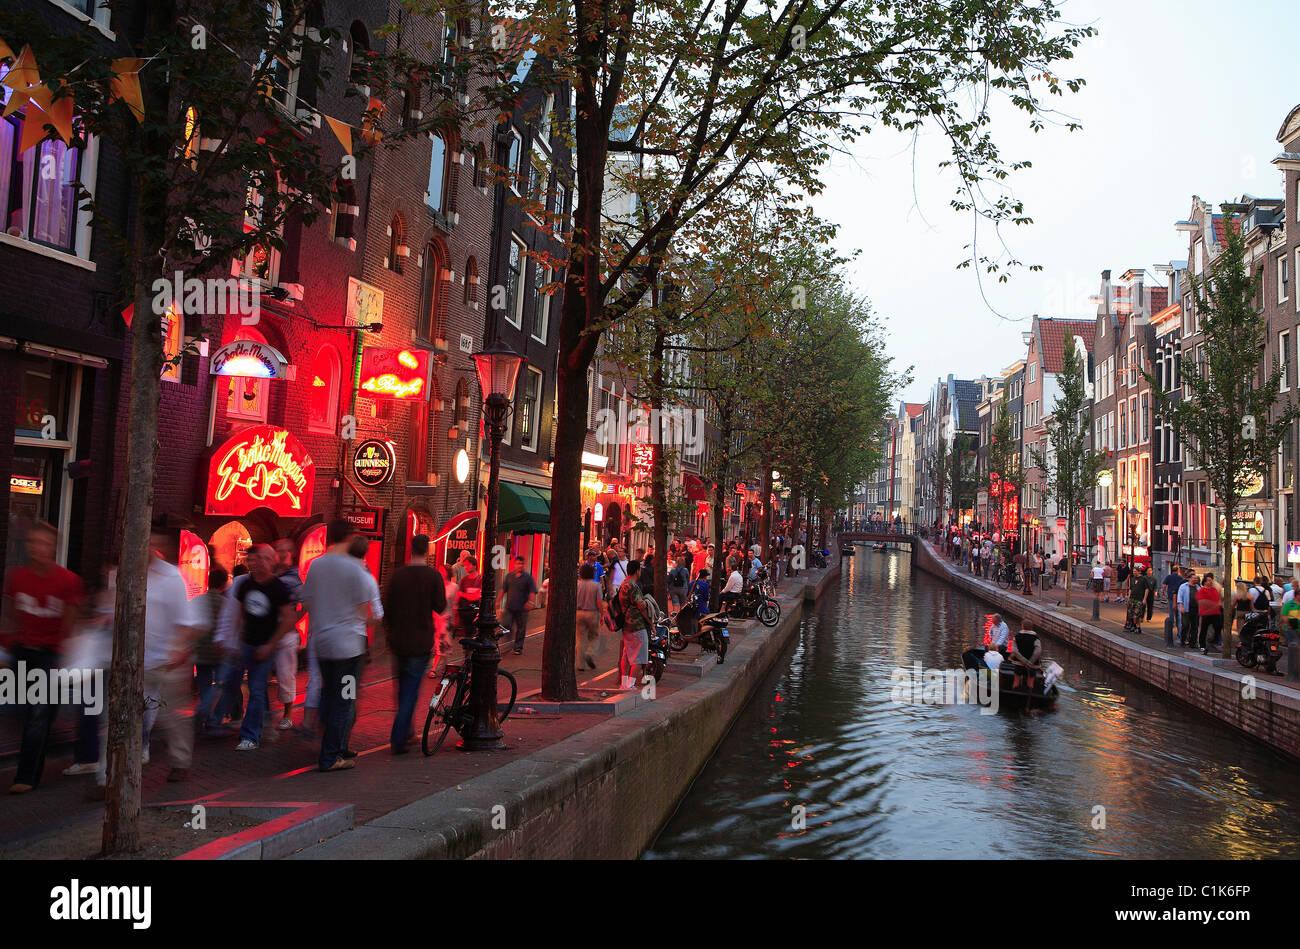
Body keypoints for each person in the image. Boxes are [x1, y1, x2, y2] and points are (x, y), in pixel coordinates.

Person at [1, 522, 83, 794]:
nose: (38, 548)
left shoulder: (68, 581)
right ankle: (49, 737)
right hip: (20, 651)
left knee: (37, 716)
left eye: (44, 543)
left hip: (49, 656)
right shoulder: (17, 577)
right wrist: (5, 648)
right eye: (33, 542)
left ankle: (26, 777)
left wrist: (63, 657)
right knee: (19, 712)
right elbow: (10, 614)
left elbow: (69, 623)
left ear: (53, 548)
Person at [302, 520, 379, 772]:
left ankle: (325, 738)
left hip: (322, 644)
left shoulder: (316, 565)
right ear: (349, 537)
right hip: (349, 648)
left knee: (328, 693)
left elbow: (307, 601)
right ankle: (331, 756)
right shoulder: (358, 571)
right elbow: (377, 613)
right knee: (344, 699)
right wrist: (359, 619)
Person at [140, 525, 202, 781]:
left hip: (168, 660)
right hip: (137, 660)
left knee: (172, 716)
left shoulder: (172, 577)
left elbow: (188, 621)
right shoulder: (124, 573)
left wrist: (178, 648)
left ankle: (180, 761)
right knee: (126, 714)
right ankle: (116, 767)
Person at [222, 544, 296, 751]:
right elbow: (239, 612)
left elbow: (289, 618)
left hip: (264, 647)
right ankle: (262, 722)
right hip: (245, 643)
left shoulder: (278, 588)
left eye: (260, 559)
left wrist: (270, 644)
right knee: (231, 682)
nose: (255, 563)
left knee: (255, 690)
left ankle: (250, 736)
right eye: (252, 560)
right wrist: (234, 640)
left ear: (271, 561)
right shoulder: (246, 584)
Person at [383, 533, 446, 754]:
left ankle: (407, 732)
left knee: (401, 689)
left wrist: (389, 633)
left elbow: (387, 609)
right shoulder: (433, 576)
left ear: (411, 550)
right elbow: (440, 606)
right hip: (420, 641)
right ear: (427, 550)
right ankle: (399, 738)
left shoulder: (398, 576)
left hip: (399, 640)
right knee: (410, 690)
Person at [271, 539, 303, 731]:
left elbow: (305, 603)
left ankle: (288, 714)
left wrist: (292, 620)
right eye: (278, 550)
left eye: (285, 551)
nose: (282, 554)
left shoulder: (295, 578)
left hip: (285, 635)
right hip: (266, 633)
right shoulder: (270, 575)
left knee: (285, 675)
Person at [192, 564, 229, 735]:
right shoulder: (226, 604)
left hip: (200, 652)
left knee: (205, 685)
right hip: (219, 652)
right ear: (223, 585)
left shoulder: (197, 601)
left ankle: (205, 716)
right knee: (221, 685)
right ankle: (209, 718)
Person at [616, 560, 652, 687]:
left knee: (626, 655)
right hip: (637, 626)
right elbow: (641, 606)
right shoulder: (633, 586)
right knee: (639, 657)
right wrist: (651, 621)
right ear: (637, 571)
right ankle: (630, 686)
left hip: (626, 626)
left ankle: (624, 683)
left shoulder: (623, 584)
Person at [498, 557, 538, 656]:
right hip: (509, 607)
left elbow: (532, 591)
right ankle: (507, 642)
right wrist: (498, 601)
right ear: (515, 564)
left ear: (524, 565)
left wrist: (530, 602)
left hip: (522, 608)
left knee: (521, 628)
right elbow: (503, 589)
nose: (520, 565)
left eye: (522, 564)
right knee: (505, 625)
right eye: (518, 563)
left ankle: (518, 648)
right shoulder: (509, 576)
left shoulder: (528, 578)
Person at [575, 562, 606, 672]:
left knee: (580, 639)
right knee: (594, 637)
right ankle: (590, 653)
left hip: (579, 613)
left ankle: (580, 665)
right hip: (592, 613)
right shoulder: (596, 585)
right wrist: (602, 614)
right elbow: (599, 601)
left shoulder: (577, 585)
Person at [1007, 620, 1043, 691]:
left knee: (1016, 682)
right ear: (1031, 627)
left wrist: (1023, 661)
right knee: (1030, 684)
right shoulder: (1036, 638)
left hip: (1019, 663)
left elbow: (1015, 651)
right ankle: (1029, 695)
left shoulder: (1017, 636)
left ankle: (1015, 694)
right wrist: (1029, 662)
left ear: (1022, 626)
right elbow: (1038, 651)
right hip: (1032, 665)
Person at [1196, 572, 1223, 654]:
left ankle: (1214, 643)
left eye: (1211, 580)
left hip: (1215, 613)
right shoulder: (1202, 590)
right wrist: (1214, 604)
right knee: (1204, 630)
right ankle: (1202, 646)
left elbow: (1218, 600)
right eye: (1208, 580)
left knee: (1218, 628)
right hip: (1206, 613)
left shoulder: (1214, 590)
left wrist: (1218, 605)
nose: (1210, 582)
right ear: (1205, 582)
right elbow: (1202, 602)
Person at [1177, 569, 1200, 649]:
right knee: (1185, 625)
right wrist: (1181, 606)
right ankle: (1182, 641)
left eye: (1196, 578)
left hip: (1195, 609)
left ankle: (1192, 643)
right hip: (1186, 609)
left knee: (1194, 626)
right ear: (1189, 579)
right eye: (1194, 578)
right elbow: (1179, 597)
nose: (1195, 580)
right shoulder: (1183, 587)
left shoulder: (1198, 588)